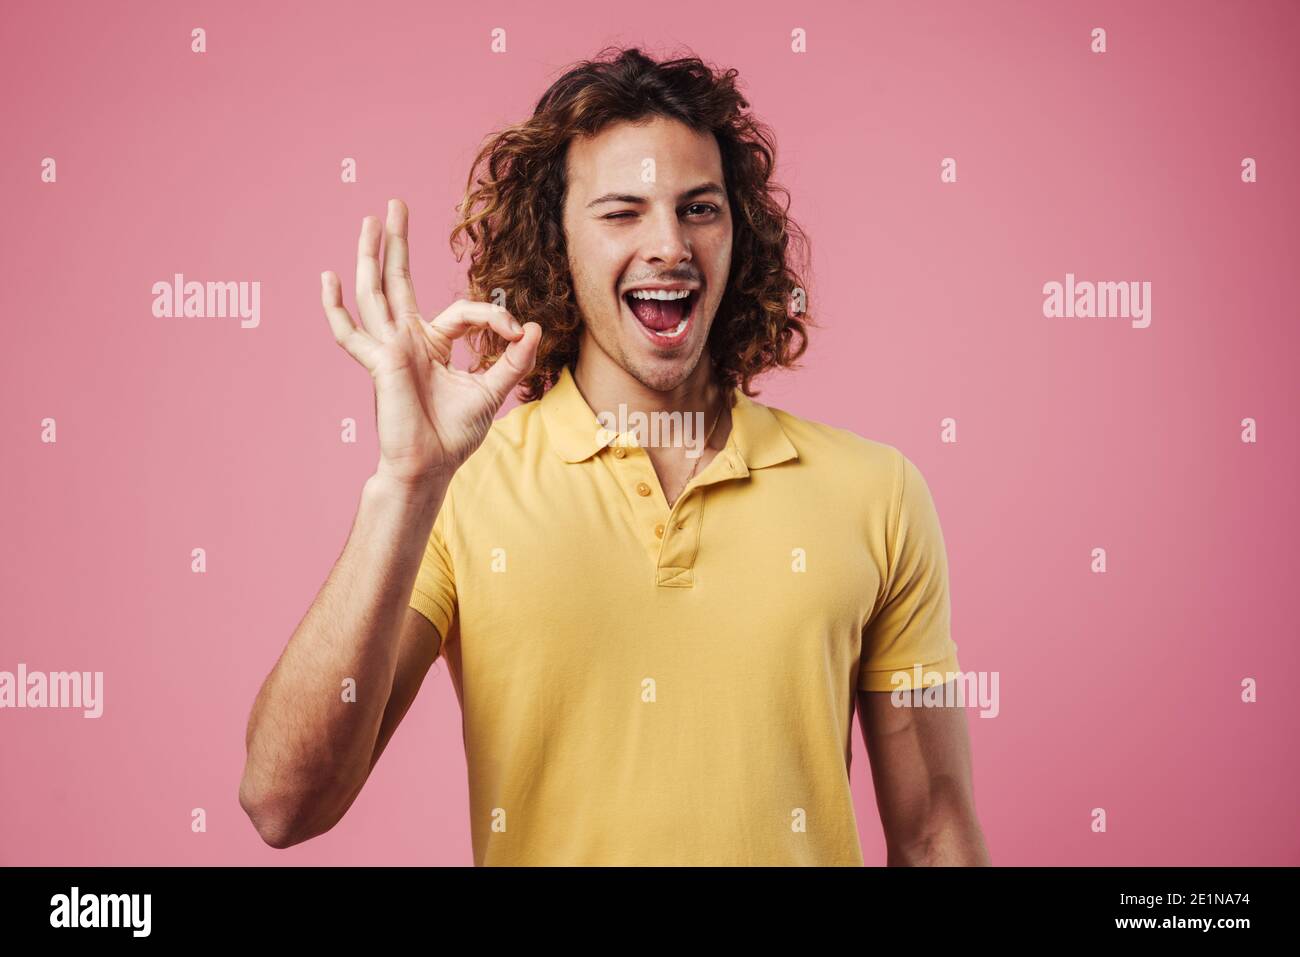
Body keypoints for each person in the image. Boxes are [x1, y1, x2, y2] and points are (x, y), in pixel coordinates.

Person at [239, 47, 990, 866]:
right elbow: (284, 801)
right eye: (622, 212)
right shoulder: (462, 490)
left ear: (739, 234)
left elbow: (934, 833)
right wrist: (406, 484)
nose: (669, 244)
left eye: (699, 209)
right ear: (556, 245)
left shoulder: (876, 493)